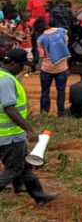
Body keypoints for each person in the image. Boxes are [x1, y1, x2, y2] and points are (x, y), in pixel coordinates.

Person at [0, 49, 59, 207]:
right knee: (14, 169)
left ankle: (39, 197)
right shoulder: (6, 81)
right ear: (12, 64)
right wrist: (29, 129)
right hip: (9, 135)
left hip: (10, 134)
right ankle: (38, 196)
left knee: (26, 167)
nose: (23, 69)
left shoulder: (3, 76)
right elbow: (10, 108)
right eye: (21, 65)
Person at [36, 21, 70, 116]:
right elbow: (66, 44)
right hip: (62, 68)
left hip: (47, 68)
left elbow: (42, 55)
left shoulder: (40, 39)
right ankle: (61, 113)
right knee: (61, 91)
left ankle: (44, 113)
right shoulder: (62, 31)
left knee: (45, 91)